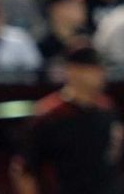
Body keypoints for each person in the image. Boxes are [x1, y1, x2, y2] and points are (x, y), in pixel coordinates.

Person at [10, 44, 124, 194]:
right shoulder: (49, 114)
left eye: (100, 68)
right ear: (72, 71)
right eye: (91, 69)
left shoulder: (107, 108)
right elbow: (24, 170)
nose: (100, 74)